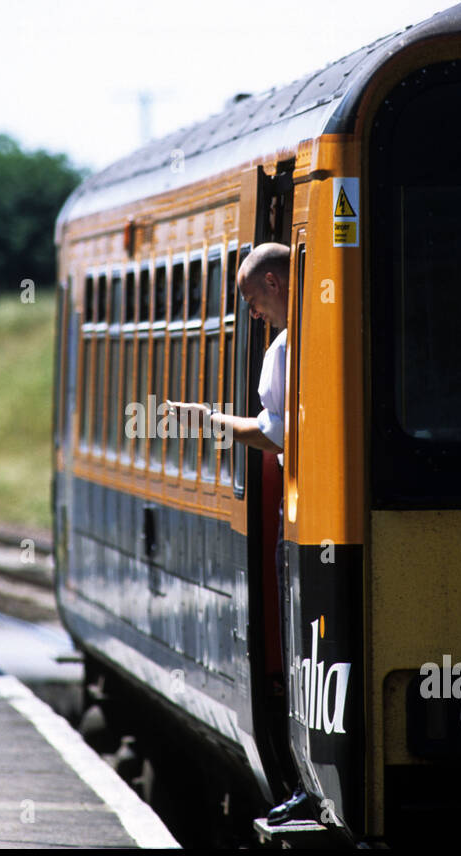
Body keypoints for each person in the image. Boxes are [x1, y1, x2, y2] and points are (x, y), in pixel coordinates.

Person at [166, 242, 308, 824]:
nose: (252, 313)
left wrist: (210, 423)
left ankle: (303, 779)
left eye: (252, 299)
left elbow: (275, 435)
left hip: (302, 525)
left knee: (297, 646)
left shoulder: (285, 349)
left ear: (275, 282)